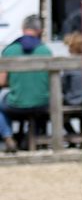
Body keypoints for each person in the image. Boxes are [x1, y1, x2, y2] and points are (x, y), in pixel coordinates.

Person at [0, 15, 52, 152]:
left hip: (15, 103)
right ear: (40, 30)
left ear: (23, 29)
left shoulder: (9, 50)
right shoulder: (46, 51)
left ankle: (7, 136)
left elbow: (1, 81)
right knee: (40, 97)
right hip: (42, 104)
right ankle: (31, 136)